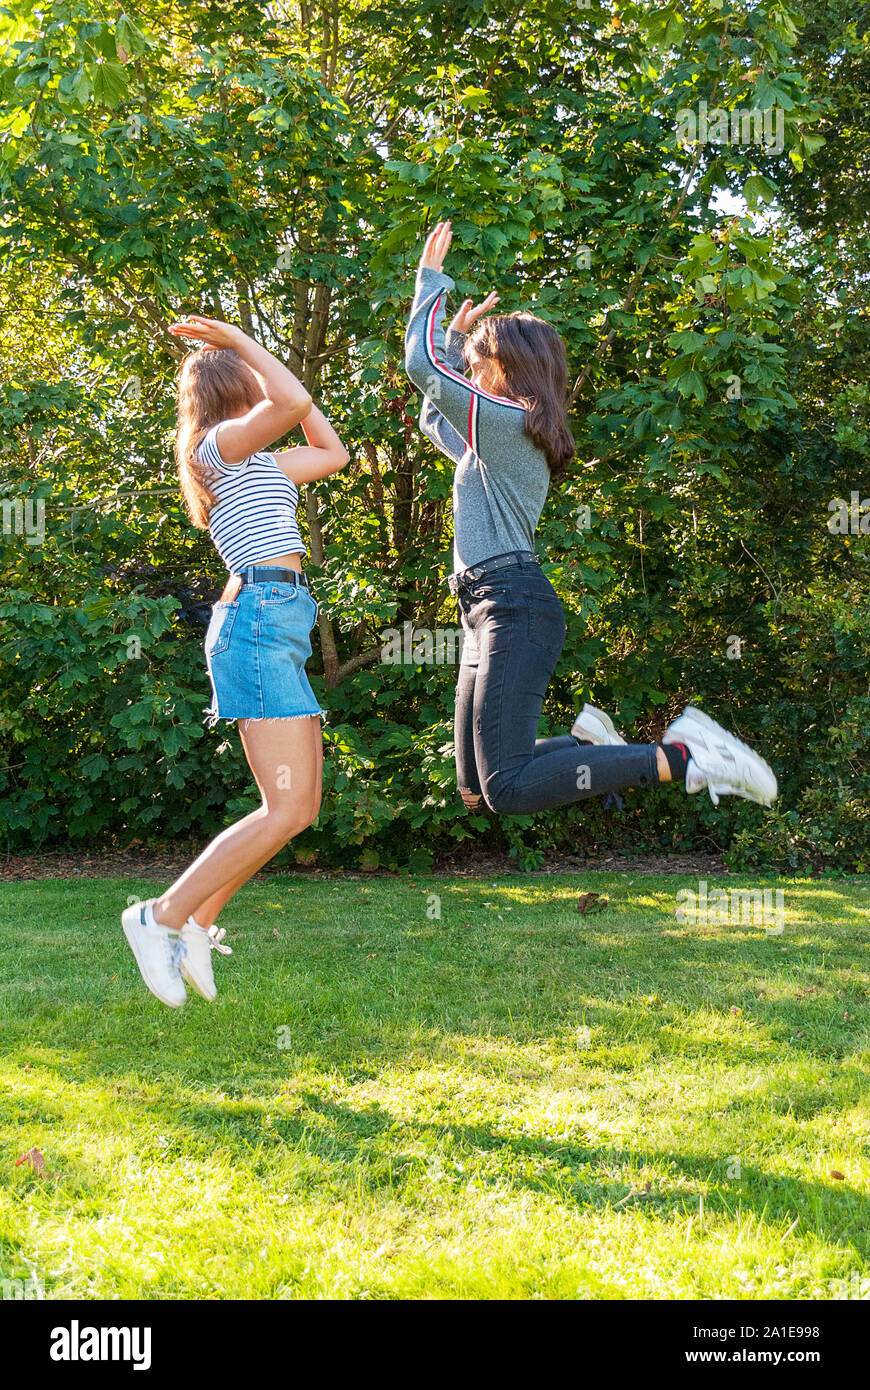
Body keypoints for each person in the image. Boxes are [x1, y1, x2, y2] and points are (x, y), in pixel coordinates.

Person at [404, 220, 777, 821]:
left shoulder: (504, 423)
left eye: (477, 366)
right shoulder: (496, 439)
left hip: (511, 603)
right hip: (483, 606)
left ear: (507, 369)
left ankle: (685, 756)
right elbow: (431, 416)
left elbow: (422, 369)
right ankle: (585, 748)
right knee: (479, 791)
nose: (468, 378)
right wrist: (453, 338)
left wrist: (431, 283)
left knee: (511, 788)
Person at [121, 315, 349, 1008]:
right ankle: (156, 916)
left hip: (278, 626)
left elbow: (331, 450)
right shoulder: (215, 448)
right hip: (256, 624)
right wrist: (239, 342)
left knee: (299, 808)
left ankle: (196, 924)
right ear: (234, 388)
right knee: (282, 809)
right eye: (251, 377)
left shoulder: (261, 465)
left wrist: (247, 355)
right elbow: (290, 403)